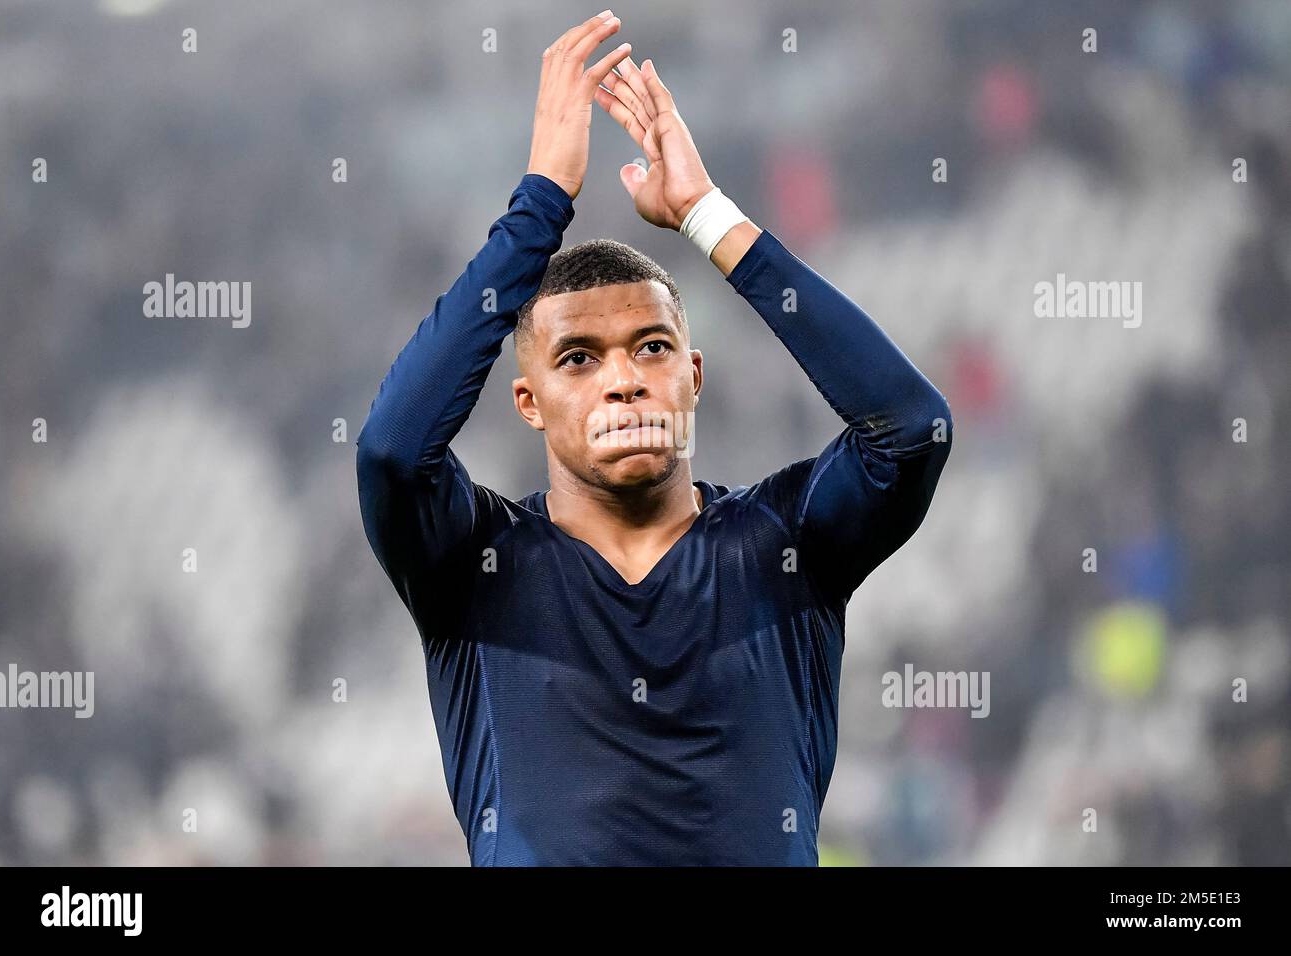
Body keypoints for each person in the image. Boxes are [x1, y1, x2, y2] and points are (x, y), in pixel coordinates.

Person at [356, 11, 952, 865]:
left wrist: (707, 217)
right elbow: (392, 452)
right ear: (528, 401)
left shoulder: (783, 545)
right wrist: (540, 205)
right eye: (578, 358)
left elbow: (912, 431)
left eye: (652, 347)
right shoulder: (474, 564)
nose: (623, 377)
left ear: (694, 376)